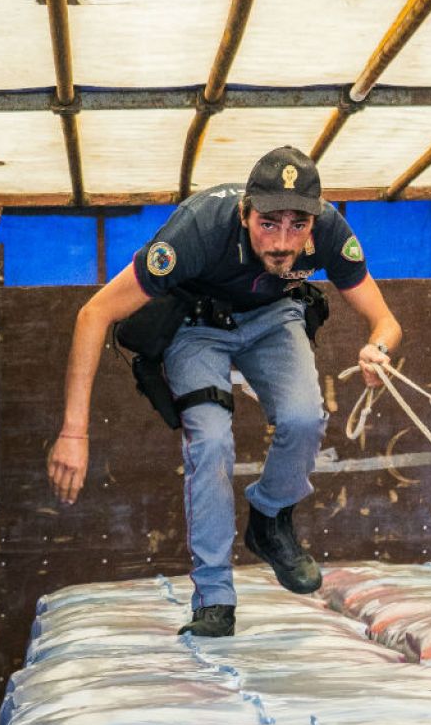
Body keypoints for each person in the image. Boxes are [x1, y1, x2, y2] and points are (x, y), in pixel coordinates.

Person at [47, 146, 402, 637]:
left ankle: (270, 520)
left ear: (314, 221)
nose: (283, 242)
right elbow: (94, 313)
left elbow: (385, 320)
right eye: (268, 224)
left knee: (304, 417)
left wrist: (376, 349)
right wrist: (74, 433)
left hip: (275, 318)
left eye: (297, 226)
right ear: (244, 213)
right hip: (197, 325)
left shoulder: (331, 231)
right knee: (211, 441)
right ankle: (214, 597)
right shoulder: (197, 229)